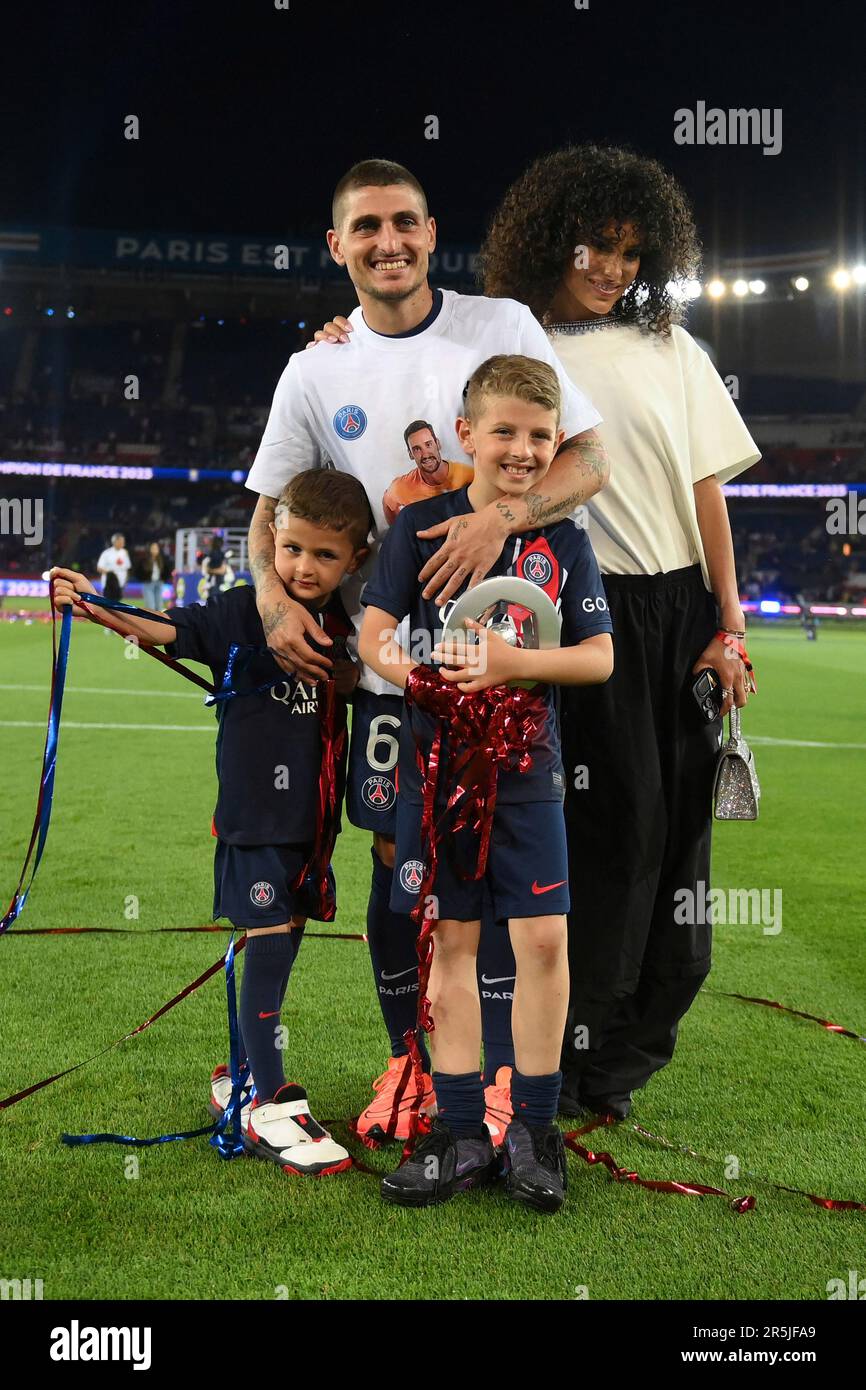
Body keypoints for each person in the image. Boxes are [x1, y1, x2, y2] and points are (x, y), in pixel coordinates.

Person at [245, 157, 609, 1145]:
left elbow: (590, 454)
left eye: (402, 222)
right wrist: (275, 599)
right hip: (390, 676)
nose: (386, 242)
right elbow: (266, 511)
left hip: (507, 670)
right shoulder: (316, 369)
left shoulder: (500, 327)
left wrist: (506, 518)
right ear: (337, 247)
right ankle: (414, 1061)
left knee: (497, 872)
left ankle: (497, 1078)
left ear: (429, 229)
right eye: (364, 228)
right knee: (398, 870)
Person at [479, 144, 760, 1119]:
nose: (609, 268)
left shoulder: (671, 347)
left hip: (680, 610)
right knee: (615, 833)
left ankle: (629, 1052)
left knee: (681, 836)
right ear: (554, 239)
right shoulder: (520, 350)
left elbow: (704, 492)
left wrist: (727, 625)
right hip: (585, 611)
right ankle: (571, 1050)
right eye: (596, 244)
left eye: (630, 254)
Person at [50, 469, 371, 1177]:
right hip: (251, 825)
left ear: (356, 559)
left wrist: (350, 677)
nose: (303, 568)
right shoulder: (241, 610)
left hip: (311, 831)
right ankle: (270, 1100)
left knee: (282, 949)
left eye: (324, 555)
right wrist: (96, 605)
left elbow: (368, 680)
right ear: (271, 544)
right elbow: (170, 628)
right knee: (266, 947)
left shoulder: (353, 623)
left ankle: (242, 1071)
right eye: (290, 549)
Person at [359, 355, 614, 1212]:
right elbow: (375, 635)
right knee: (452, 948)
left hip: (528, 773)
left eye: (541, 436)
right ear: (467, 434)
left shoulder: (565, 541)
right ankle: (459, 1131)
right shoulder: (421, 526)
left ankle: (535, 1132)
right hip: (438, 776)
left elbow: (598, 656)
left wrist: (511, 661)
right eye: (504, 431)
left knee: (543, 941)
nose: (524, 449)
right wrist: (425, 682)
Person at [382, 420, 475, 524]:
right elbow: (387, 500)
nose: (425, 454)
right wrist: (399, 532)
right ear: (410, 454)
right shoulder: (401, 487)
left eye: (428, 444)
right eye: (417, 449)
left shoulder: (468, 475)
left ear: (437, 444)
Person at [137, 541, 172, 610]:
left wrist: (164, 578)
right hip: (148, 584)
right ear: (149, 549)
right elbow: (138, 571)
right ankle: (150, 620)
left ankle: (158, 621)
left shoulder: (162, 559)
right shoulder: (144, 560)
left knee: (159, 606)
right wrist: (144, 578)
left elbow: (167, 570)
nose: (155, 550)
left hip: (159, 583)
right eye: (153, 548)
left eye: (156, 548)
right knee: (151, 607)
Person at [97, 532, 131, 601]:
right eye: (121, 541)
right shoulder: (106, 553)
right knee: (108, 604)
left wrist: (125, 581)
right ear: (115, 541)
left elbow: (127, 568)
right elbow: (99, 568)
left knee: (118, 605)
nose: (123, 543)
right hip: (109, 585)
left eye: (123, 541)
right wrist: (111, 574)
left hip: (120, 584)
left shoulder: (124, 553)